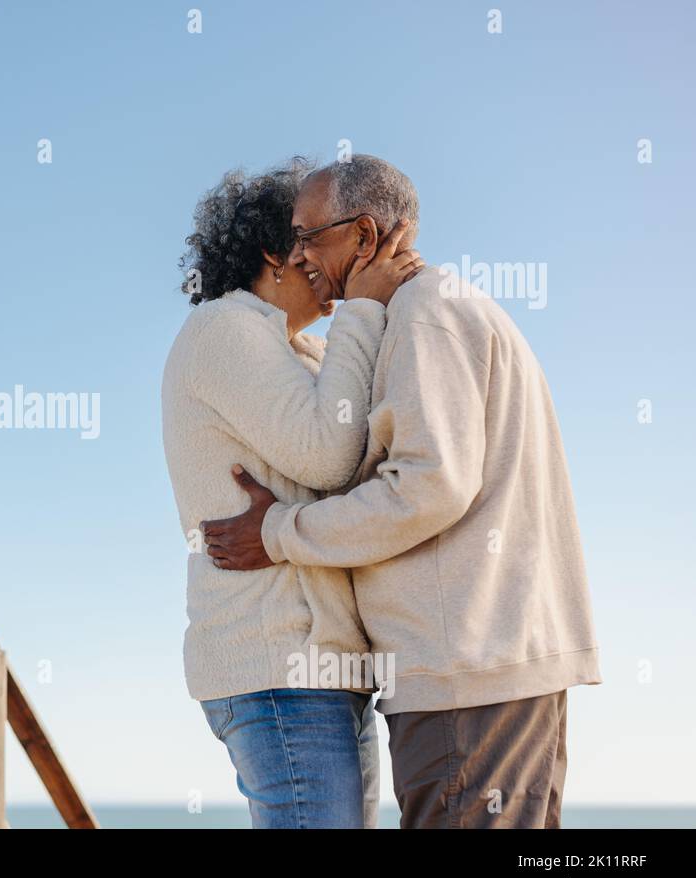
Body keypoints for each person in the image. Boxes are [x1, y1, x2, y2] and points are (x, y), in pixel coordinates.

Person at [201, 154, 602, 828]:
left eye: (308, 236)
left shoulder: (423, 315)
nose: (298, 256)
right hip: (485, 668)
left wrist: (278, 534)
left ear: (363, 236)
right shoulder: (440, 309)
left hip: (465, 673)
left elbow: (426, 487)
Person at [161, 160, 422, 828]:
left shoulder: (292, 351)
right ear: (276, 251)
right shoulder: (225, 329)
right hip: (280, 670)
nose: (321, 260)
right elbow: (330, 455)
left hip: (320, 674)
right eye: (304, 241)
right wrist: (364, 307)